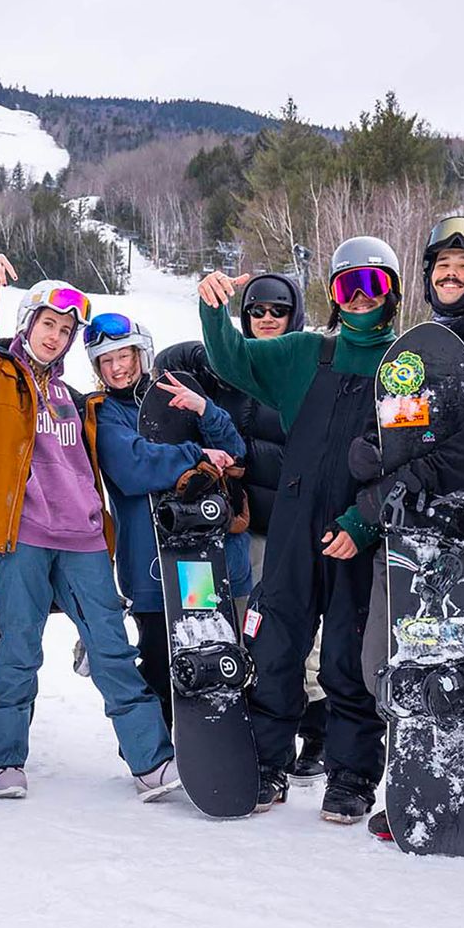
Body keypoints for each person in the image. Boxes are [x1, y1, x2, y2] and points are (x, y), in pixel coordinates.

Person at [0, 252, 179, 801]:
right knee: (20, 649)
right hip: (21, 538)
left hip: (84, 541)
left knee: (111, 649)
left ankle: (151, 761)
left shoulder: (76, 399)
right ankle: (2, 761)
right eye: (48, 324)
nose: (55, 336)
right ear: (28, 325)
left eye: (65, 330)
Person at [197, 236, 398, 823]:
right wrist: (212, 308)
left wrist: (364, 521)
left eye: (373, 286)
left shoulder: (406, 364)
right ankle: (266, 763)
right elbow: (232, 359)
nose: (360, 300)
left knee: (345, 655)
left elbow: (410, 456)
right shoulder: (307, 352)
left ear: (392, 293)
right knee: (275, 646)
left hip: (357, 531)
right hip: (292, 521)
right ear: (333, 297)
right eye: (347, 287)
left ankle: (352, 775)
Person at [357, 215, 464, 849]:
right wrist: (373, 458)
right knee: (388, 662)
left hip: (457, 539)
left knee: (459, 668)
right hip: (403, 539)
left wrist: (416, 473)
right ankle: (417, 789)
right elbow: (403, 429)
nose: (451, 276)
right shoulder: (422, 345)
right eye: (441, 267)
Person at [154, 274, 326, 780]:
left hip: (294, 525)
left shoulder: (306, 365)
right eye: (256, 311)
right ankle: (251, 727)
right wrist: (205, 343)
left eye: (277, 310)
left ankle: (317, 731)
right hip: (244, 526)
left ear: (293, 314)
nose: (266, 319)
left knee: (303, 643)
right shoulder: (231, 366)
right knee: (247, 632)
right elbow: (169, 363)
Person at [88, 314, 247, 724]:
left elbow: (232, 452)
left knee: (202, 644)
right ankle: (155, 750)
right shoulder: (105, 414)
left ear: (141, 353)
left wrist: (205, 411)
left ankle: (207, 739)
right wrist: (194, 455)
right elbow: (132, 467)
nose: (118, 366)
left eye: (124, 355)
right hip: (149, 564)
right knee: (159, 656)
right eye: (107, 360)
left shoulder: (171, 396)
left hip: (196, 558)